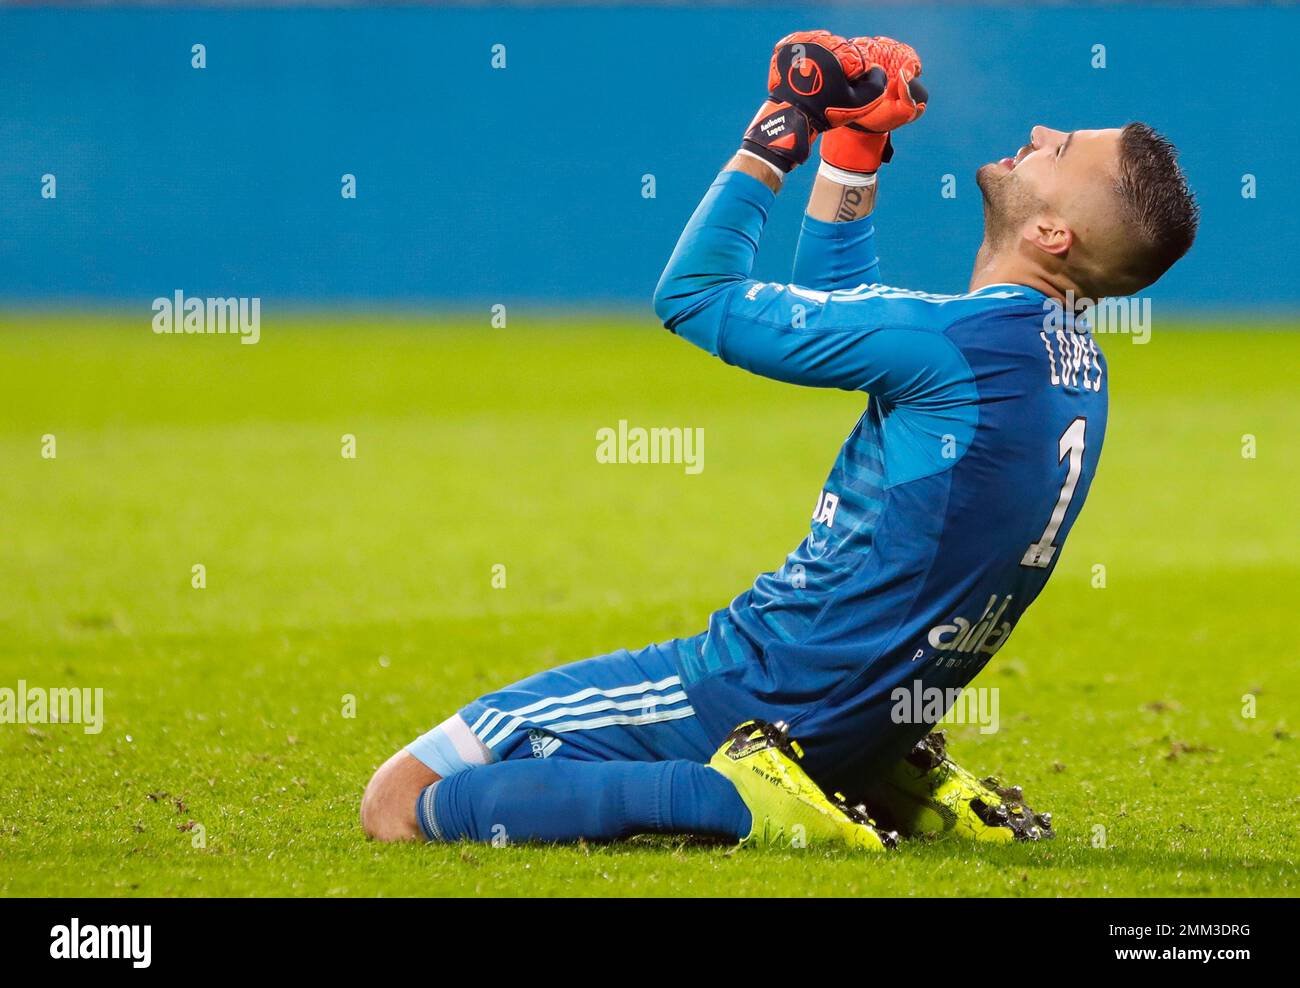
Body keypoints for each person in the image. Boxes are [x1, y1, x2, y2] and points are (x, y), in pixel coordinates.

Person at [361, 30, 1197, 850]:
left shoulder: (952, 344)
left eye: (1062, 152)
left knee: (401, 799)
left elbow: (693, 294)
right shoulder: (1072, 367)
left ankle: (740, 803)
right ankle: (874, 783)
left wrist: (777, 134)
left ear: (1055, 235)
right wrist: (851, 152)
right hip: (861, 719)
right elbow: (845, 315)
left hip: (757, 686)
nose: (1043, 133)